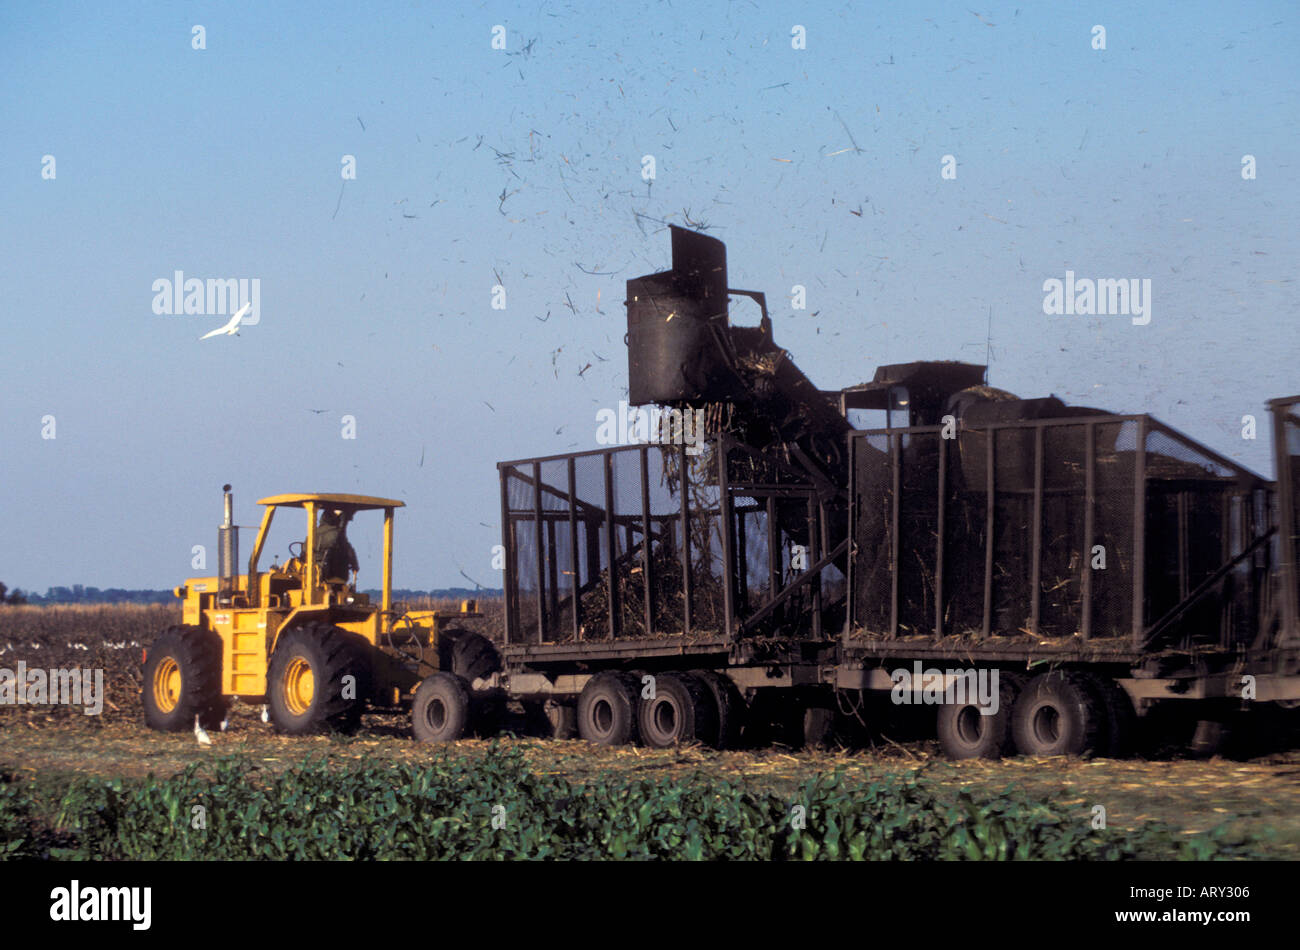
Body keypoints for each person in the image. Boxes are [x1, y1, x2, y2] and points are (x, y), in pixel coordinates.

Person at [314, 508, 359, 583]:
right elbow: (349, 552)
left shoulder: (313, 534)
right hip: (332, 574)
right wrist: (355, 566)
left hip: (313, 571)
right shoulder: (337, 535)